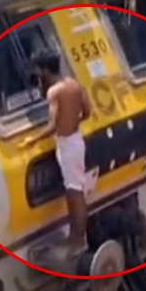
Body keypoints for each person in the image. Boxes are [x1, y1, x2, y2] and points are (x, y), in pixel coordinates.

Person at [21, 51, 93, 253]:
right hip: (76, 141)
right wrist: (72, 123)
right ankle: (77, 237)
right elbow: (88, 111)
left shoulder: (54, 92)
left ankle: (77, 240)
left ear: (44, 69)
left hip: (67, 146)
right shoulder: (74, 84)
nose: (36, 72)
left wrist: (31, 140)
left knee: (75, 194)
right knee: (76, 191)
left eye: (37, 68)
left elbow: (52, 125)